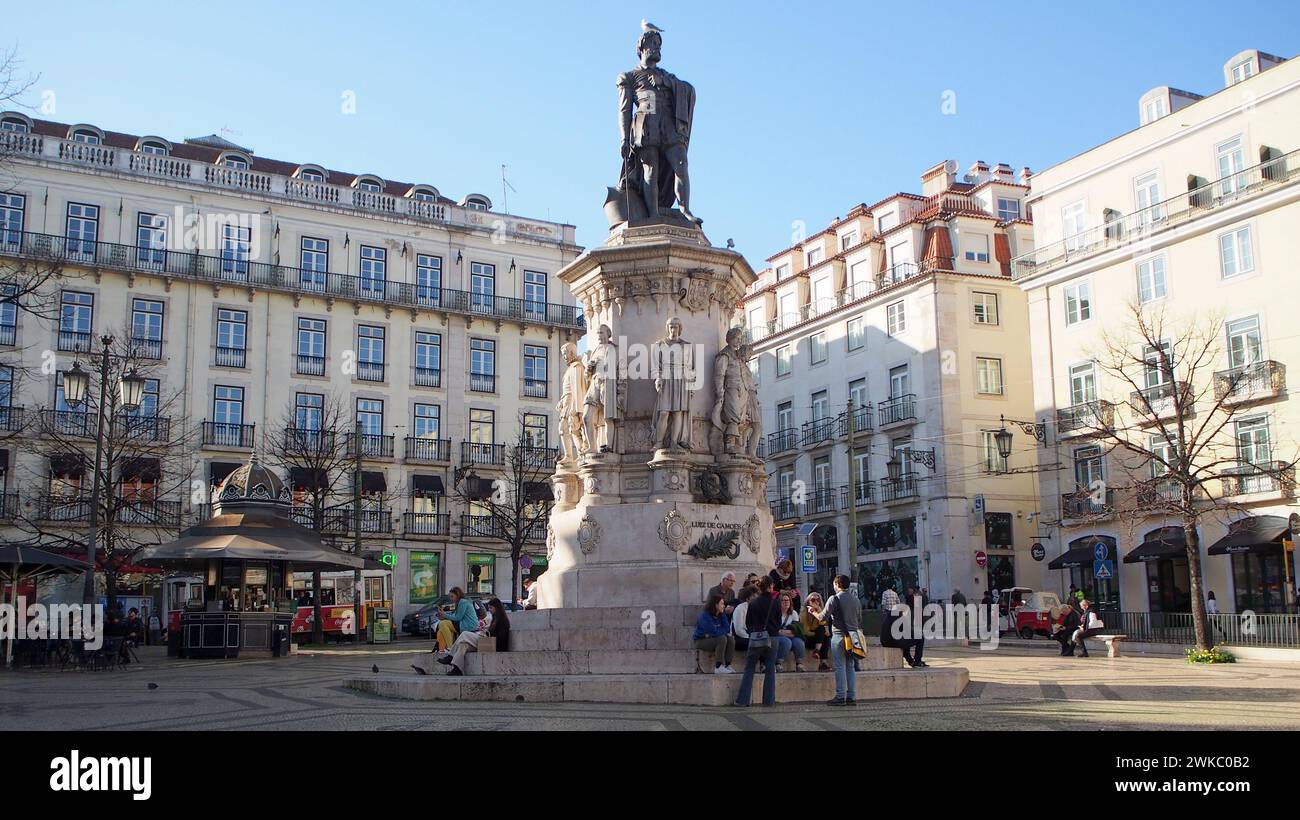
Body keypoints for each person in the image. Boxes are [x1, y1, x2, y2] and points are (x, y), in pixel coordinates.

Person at [814, 574, 863, 705]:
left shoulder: (833, 598)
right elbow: (859, 619)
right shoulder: (856, 600)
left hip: (839, 636)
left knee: (840, 666)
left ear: (837, 584)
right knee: (851, 666)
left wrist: (813, 611)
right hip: (853, 637)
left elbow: (822, 618)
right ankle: (851, 696)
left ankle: (840, 696)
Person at [734, 576, 782, 707]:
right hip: (773, 637)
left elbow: (748, 622)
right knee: (770, 668)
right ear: (770, 586)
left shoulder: (753, 603)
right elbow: (779, 622)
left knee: (749, 668)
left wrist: (754, 633)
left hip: (756, 637)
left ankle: (742, 700)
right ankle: (769, 700)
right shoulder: (776, 602)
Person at [439, 598, 511, 676]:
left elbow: (500, 638)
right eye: (489, 608)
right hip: (485, 642)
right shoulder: (495, 618)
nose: (489, 610)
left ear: (497, 608)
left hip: (491, 644)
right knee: (463, 645)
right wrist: (485, 630)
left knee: (464, 634)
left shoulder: (503, 621)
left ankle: (450, 656)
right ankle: (457, 669)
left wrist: (487, 634)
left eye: (491, 608)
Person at [693, 593, 735, 673]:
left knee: (730, 639)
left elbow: (727, 628)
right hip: (701, 640)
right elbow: (712, 631)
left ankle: (727, 665)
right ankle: (719, 666)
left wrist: (716, 632)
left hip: (711, 638)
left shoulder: (722, 614)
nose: (724, 606)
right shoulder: (705, 616)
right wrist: (717, 632)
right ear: (716, 605)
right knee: (722, 638)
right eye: (722, 604)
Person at [433, 588, 478, 652]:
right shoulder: (461, 602)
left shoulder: (462, 602)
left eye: (452, 596)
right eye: (450, 597)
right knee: (444, 624)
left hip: (468, 625)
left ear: (458, 595)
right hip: (465, 624)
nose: (451, 598)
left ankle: (450, 647)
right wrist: (444, 615)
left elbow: (458, 617)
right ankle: (448, 647)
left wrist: (444, 615)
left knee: (443, 624)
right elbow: (454, 615)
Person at [799, 592, 831, 671]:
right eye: (813, 600)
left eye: (818, 600)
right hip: (807, 639)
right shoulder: (803, 613)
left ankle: (822, 661)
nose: (816, 602)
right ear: (808, 602)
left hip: (818, 640)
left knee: (823, 633)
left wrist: (819, 610)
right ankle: (822, 661)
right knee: (823, 633)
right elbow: (806, 631)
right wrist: (817, 634)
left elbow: (823, 622)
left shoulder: (821, 611)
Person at [775, 591, 805, 672]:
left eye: (787, 600)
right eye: (783, 600)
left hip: (790, 635)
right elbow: (775, 630)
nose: (786, 602)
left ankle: (799, 664)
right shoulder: (775, 613)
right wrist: (784, 632)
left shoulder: (793, 613)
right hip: (778, 636)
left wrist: (783, 631)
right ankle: (778, 663)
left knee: (799, 642)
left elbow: (796, 631)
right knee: (786, 642)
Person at [732, 586, 754, 651]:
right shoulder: (740, 608)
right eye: (754, 596)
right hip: (739, 638)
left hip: (750, 636)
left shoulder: (755, 608)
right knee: (756, 644)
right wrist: (751, 638)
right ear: (747, 599)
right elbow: (739, 631)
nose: (756, 598)